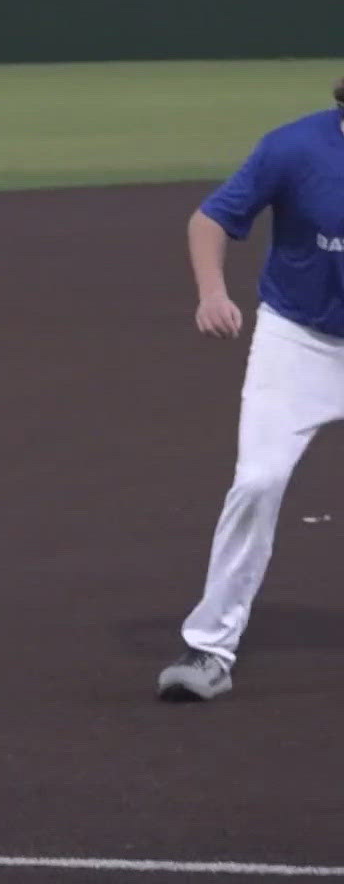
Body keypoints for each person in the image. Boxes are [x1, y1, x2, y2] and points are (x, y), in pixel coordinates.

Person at [158, 78, 344, 701]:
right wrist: (212, 292)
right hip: (300, 341)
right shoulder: (294, 148)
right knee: (259, 480)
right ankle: (210, 648)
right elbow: (212, 217)